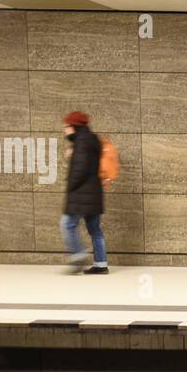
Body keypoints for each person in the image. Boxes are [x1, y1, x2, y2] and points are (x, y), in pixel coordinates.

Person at [60, 110, 108, 274]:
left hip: (82, 194)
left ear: (74, 126)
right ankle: (101, 265)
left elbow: (79, 170)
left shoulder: (81, 142)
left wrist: (70, 186)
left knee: (67, 224)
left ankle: (78, 255)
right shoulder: (92, 139)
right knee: (95, 230)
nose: (64, 129)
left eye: (66, 126)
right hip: (94, 194)